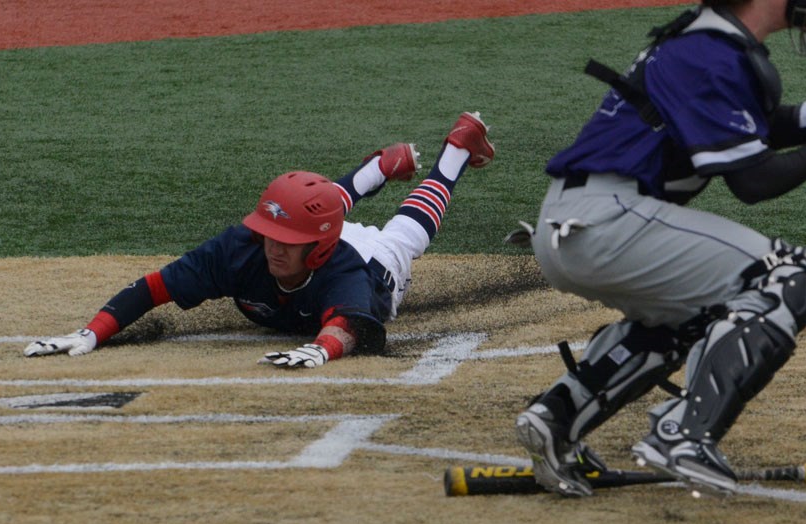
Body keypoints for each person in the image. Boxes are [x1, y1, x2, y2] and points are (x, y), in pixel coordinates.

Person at [515, 0, 806, 497]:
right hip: (607, 219)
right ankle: (685, 434)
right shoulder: (708, 53)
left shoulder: (706, 43)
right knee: (789, 273)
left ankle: (558, 415)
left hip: (583, 220)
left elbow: (760, 127)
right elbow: (754, 181)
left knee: (692, 315)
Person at [25, 111, 494, 367]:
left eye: (284, 240)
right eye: (268, 233)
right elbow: (154, 288)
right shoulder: (243, 246)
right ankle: (377, 168)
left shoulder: (347, 271)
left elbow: (348, 327)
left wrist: (322, 348)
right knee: (308, 209)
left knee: (405, 236)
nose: (272, 245)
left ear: (321, 250)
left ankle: (456, 147)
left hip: (374, 263)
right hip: (324, 237)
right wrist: (94, 330)